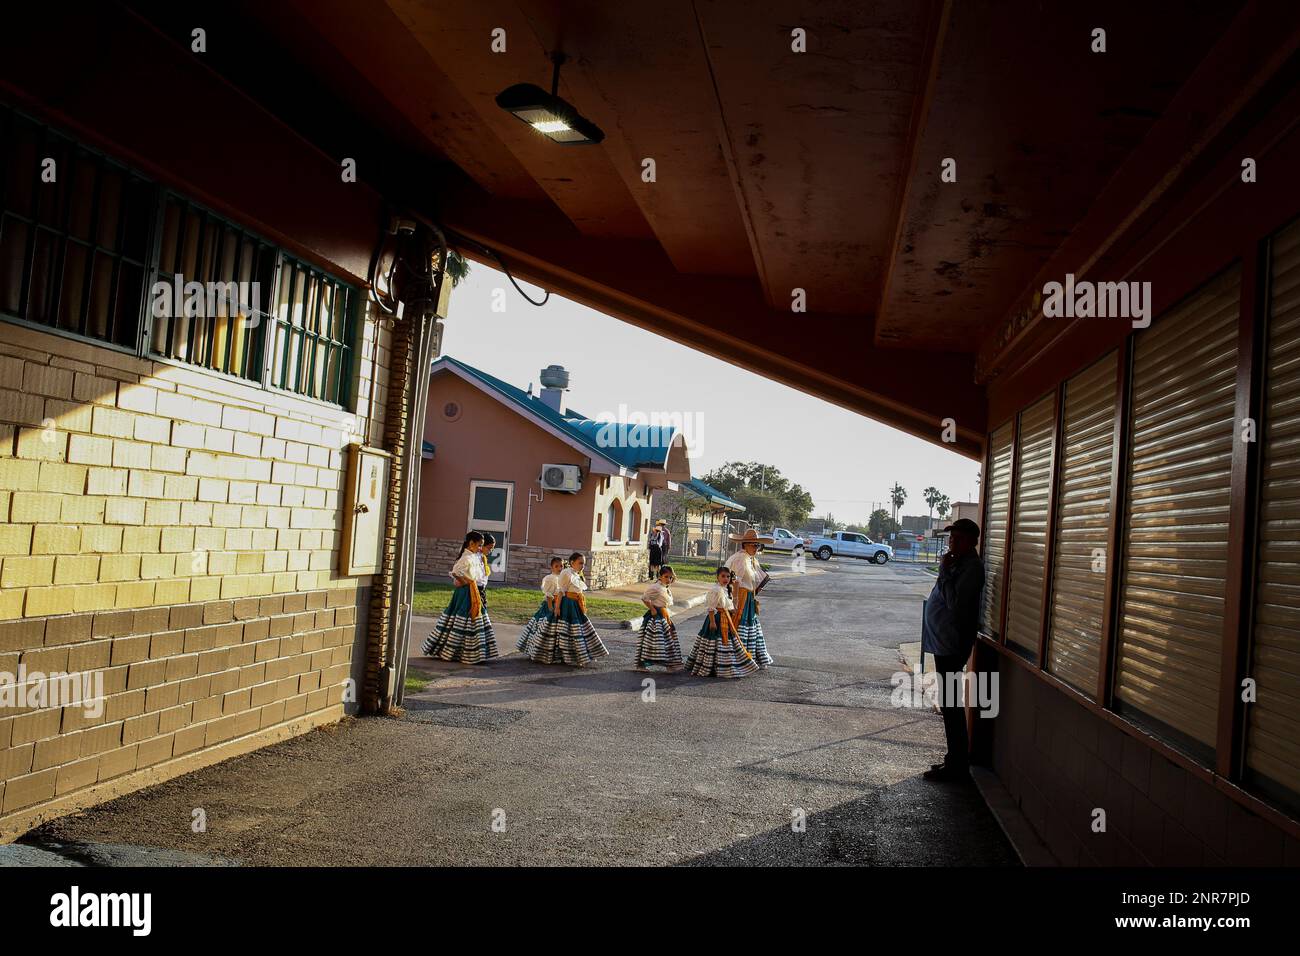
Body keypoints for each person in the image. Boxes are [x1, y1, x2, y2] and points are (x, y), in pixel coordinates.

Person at [920, 517, 986, 782]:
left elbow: (954, 604)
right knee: (948, 704)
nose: (952, 542)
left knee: (951, 704)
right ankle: (953, 759)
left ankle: (957, 765)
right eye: (951, 538)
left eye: (958, 538)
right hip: (943, 641)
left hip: (953, 643)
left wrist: (944, 572)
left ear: (972, 541)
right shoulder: (959, 562)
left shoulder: (971, 568)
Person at [422, 532, 498, 663]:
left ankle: (470, 652)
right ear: (471, 543)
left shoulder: (473, 556)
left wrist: (469, 582)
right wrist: (466, 582)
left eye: (482, 546)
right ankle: (462, 653)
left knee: (472, 620)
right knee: (468, 619)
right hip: (467, 592)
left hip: (473, 591)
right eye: (480, 545)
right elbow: (456, 573)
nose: (481, 548)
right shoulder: (466, 557)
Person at [528, 551, 609, 666]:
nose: (582, 566)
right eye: (580, 563)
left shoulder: (575, 574)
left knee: (578, 629)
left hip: (575, 604)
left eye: (584, 563)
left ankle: (578, 654)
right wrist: (556, 607)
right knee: (564, 629)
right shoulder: (566, 573)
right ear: (572, 562)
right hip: (567, 604)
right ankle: (559, 654)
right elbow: (561, 592)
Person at [685, 567, 759, 679]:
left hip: (725, 618)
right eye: (723, 576)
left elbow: (725, 605)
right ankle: (714, 667)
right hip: (716, 619)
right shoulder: (716, 589)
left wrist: (731, 609)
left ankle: (724, 666)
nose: (726, 579)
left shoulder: (724, 588)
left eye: (728, 576)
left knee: (726, 643)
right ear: (717, 577)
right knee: (716, 643)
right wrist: (712, 622)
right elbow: (711, 608)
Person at [726, 528, 774, 668]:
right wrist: (734, 602)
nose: (756, 548)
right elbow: (735, 581)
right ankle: (740, 659)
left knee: (750, 626)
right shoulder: (741, 558)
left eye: (757, 545)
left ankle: (751, 657)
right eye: (754, 545)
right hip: (740, 597)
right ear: (745, 544)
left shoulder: (750, 558)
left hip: (748, 597)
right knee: (740, 625)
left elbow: (758, 578)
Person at [636, 565, 683, 670]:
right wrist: (652, 609)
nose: (669, 579)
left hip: (664, 614)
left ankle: (670, 665)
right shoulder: (655, 587)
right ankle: (643, 665)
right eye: (666, 576)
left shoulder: (664, 587)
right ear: (660, 576)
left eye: (670, 577)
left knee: (668, 640)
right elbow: (644, 598)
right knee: (654, 641)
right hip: (656, 617)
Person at [517, 556, 564, 654]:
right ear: (551, 567)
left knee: (556, 630)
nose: (559, 568)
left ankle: (553, 650)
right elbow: (548, 595)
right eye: (556, 566)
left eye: (561, 566)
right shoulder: (550, 578)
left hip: (559, 605)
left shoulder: (561, 578)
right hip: (550, 605)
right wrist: (551, 608)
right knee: (545, 627)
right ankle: (540, 649)